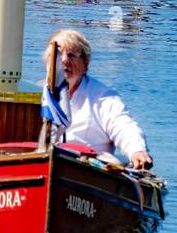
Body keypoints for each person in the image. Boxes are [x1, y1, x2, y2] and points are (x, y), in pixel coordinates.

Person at [43, 29, 152, 170]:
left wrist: (137, 150)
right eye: (57, 55)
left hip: (90, 170)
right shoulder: (36, 94)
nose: (64, 60)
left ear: (85, 64)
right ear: (47, 62)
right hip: (43, 165)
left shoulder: (103, 97)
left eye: (71, 55)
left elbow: (123, 126)